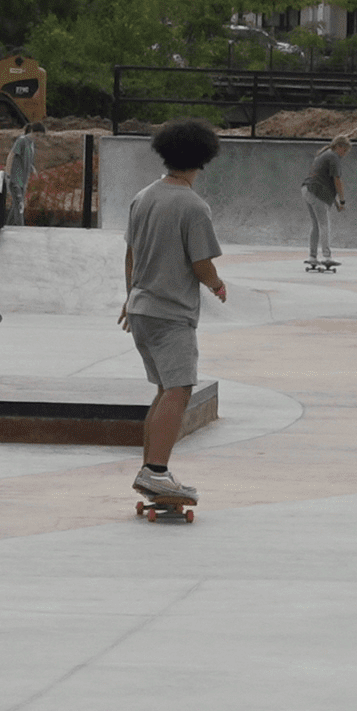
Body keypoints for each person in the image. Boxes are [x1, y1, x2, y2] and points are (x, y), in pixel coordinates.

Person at [120, 118, 228, 501]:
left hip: (141, 308)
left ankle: (150, 470)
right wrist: (217, 284)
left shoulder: (143, 196)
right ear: (203, 158)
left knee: (166, 390)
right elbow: (201, 264)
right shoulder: (193, 206)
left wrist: (130, 296)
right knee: (180, 390)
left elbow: (131, 254)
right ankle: (156, 471)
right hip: (171, 314)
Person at [300, 135, 350, 267]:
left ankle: (312, 256)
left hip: (308, 189)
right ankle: (327, 257)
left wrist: (336, 203)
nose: (344, 154)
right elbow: (337, 181)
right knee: (324, 224)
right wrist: (342, 200)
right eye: (344, 150)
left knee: (316, 225)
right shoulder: (333, 157)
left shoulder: (325, 154)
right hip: (316, 191)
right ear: (338, 146)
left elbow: (326, 182)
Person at [5, 121, 43, 226]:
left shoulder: (31, 145)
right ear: (33, 132)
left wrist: (33, 169)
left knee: (16, 205)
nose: (39, 138)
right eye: (38, 135)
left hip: (23, 181)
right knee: (20, 205)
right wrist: (7, 173)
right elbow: (11, 155)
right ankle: (21, 229)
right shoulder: (22, 140)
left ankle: (7, 226)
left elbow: (27, 160)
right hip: (15, 179)